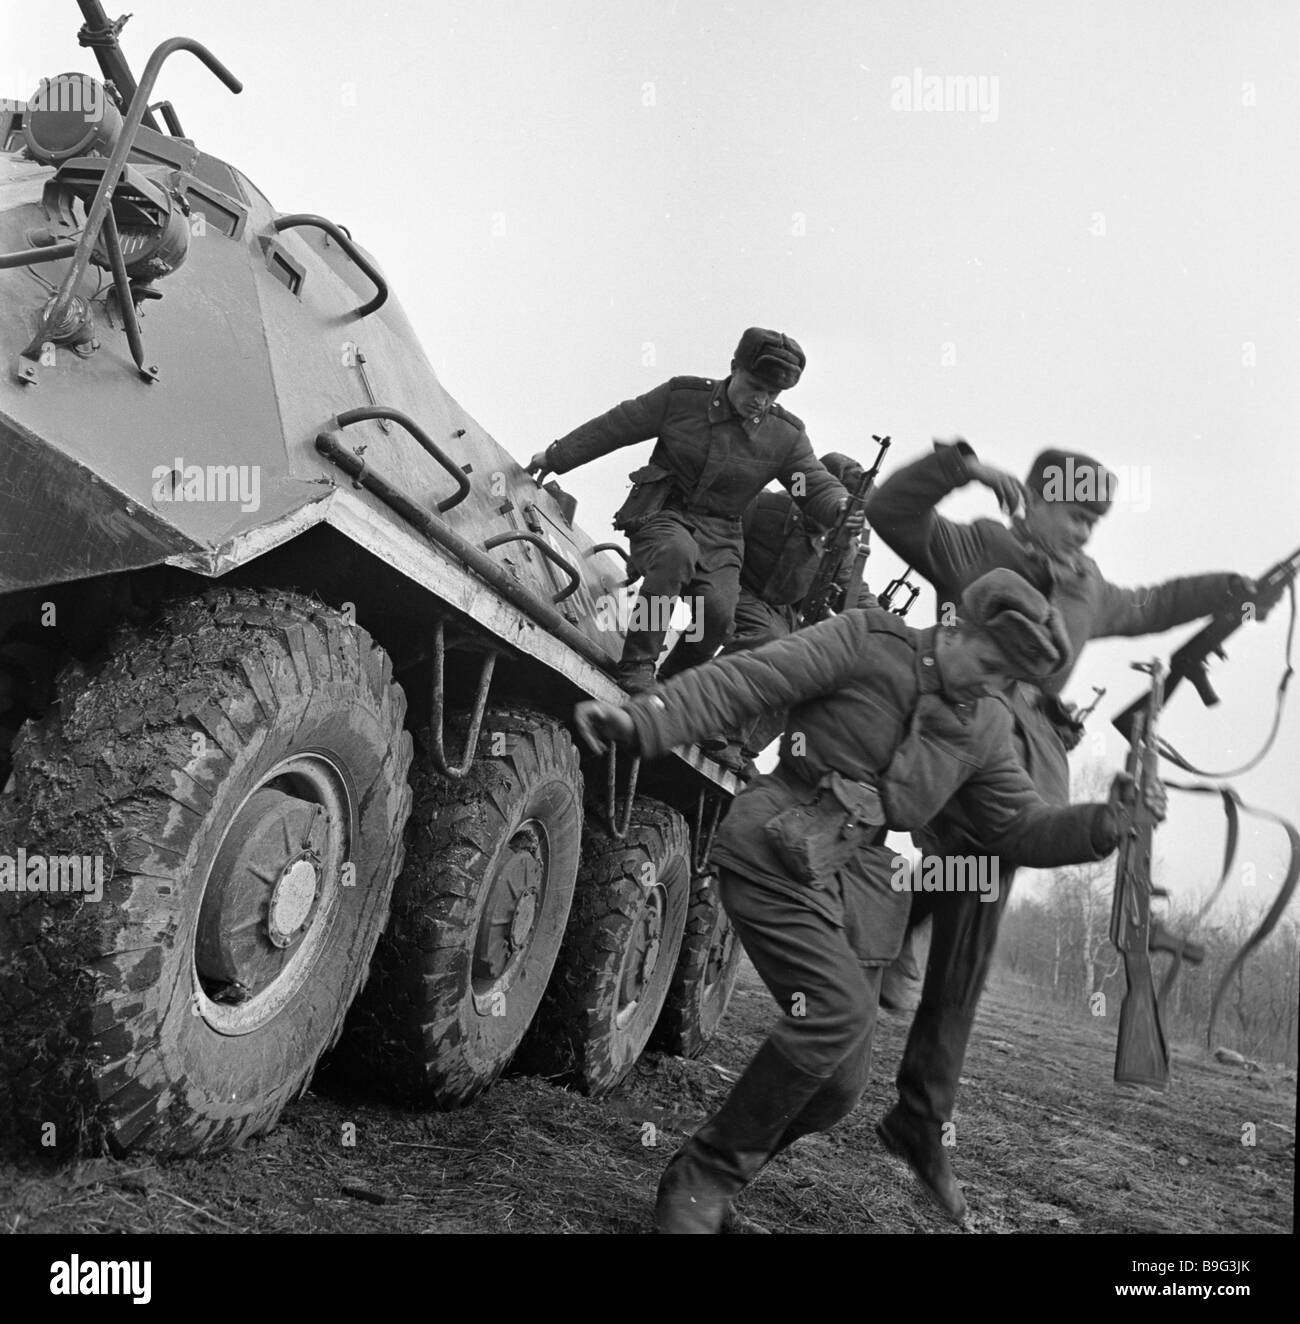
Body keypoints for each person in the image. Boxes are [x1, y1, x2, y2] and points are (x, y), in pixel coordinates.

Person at [573, 568, 1165, 1234]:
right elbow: (748, 680)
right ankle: (701, 1180)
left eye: (1009, 680)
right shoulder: (867, 640)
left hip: (858, 877)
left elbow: (1016, 824)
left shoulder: (987, 725)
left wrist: (1103, 823)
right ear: (955, 626)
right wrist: (641, 717)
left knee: (838, 1087)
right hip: (779, 842)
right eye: (990, 664)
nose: (993, 687)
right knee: (834, 1011)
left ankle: (714, 1182)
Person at [863, 440, 1258, 1218]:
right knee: (970, 916)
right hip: (957, 744)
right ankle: (918, 1106)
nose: (1082, 535)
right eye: (1074, 516)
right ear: (1033, 500)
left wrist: (1231, 590)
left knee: (970, 903)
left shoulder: (1088, 587)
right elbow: (888, 511)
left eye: (1093, 523)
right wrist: (960, 466)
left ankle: (889, 953)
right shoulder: (979, 544)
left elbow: (1149, 604)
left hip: (1021, 777)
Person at [527, 328, 858, 691]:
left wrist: (840, 508)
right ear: (734, 367)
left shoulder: (785, 436)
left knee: (716, 615)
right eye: (754, 386)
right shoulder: (683, 398)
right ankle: (638, 665)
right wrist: (557, 456)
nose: (761, 401)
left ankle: (672, 686)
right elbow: (617, 425)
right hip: (663, 512)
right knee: (674, 554)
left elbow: (813, 481)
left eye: (772, 394)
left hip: (722, 536)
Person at [712, 451, 878, 774]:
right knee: (768, 637)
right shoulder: (765, 506)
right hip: (737, 588)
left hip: (781, 610)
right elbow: (723, 543)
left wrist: (885, 627)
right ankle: (712, 721)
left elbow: (852, 593)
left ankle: (744, 746)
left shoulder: (840, 547)